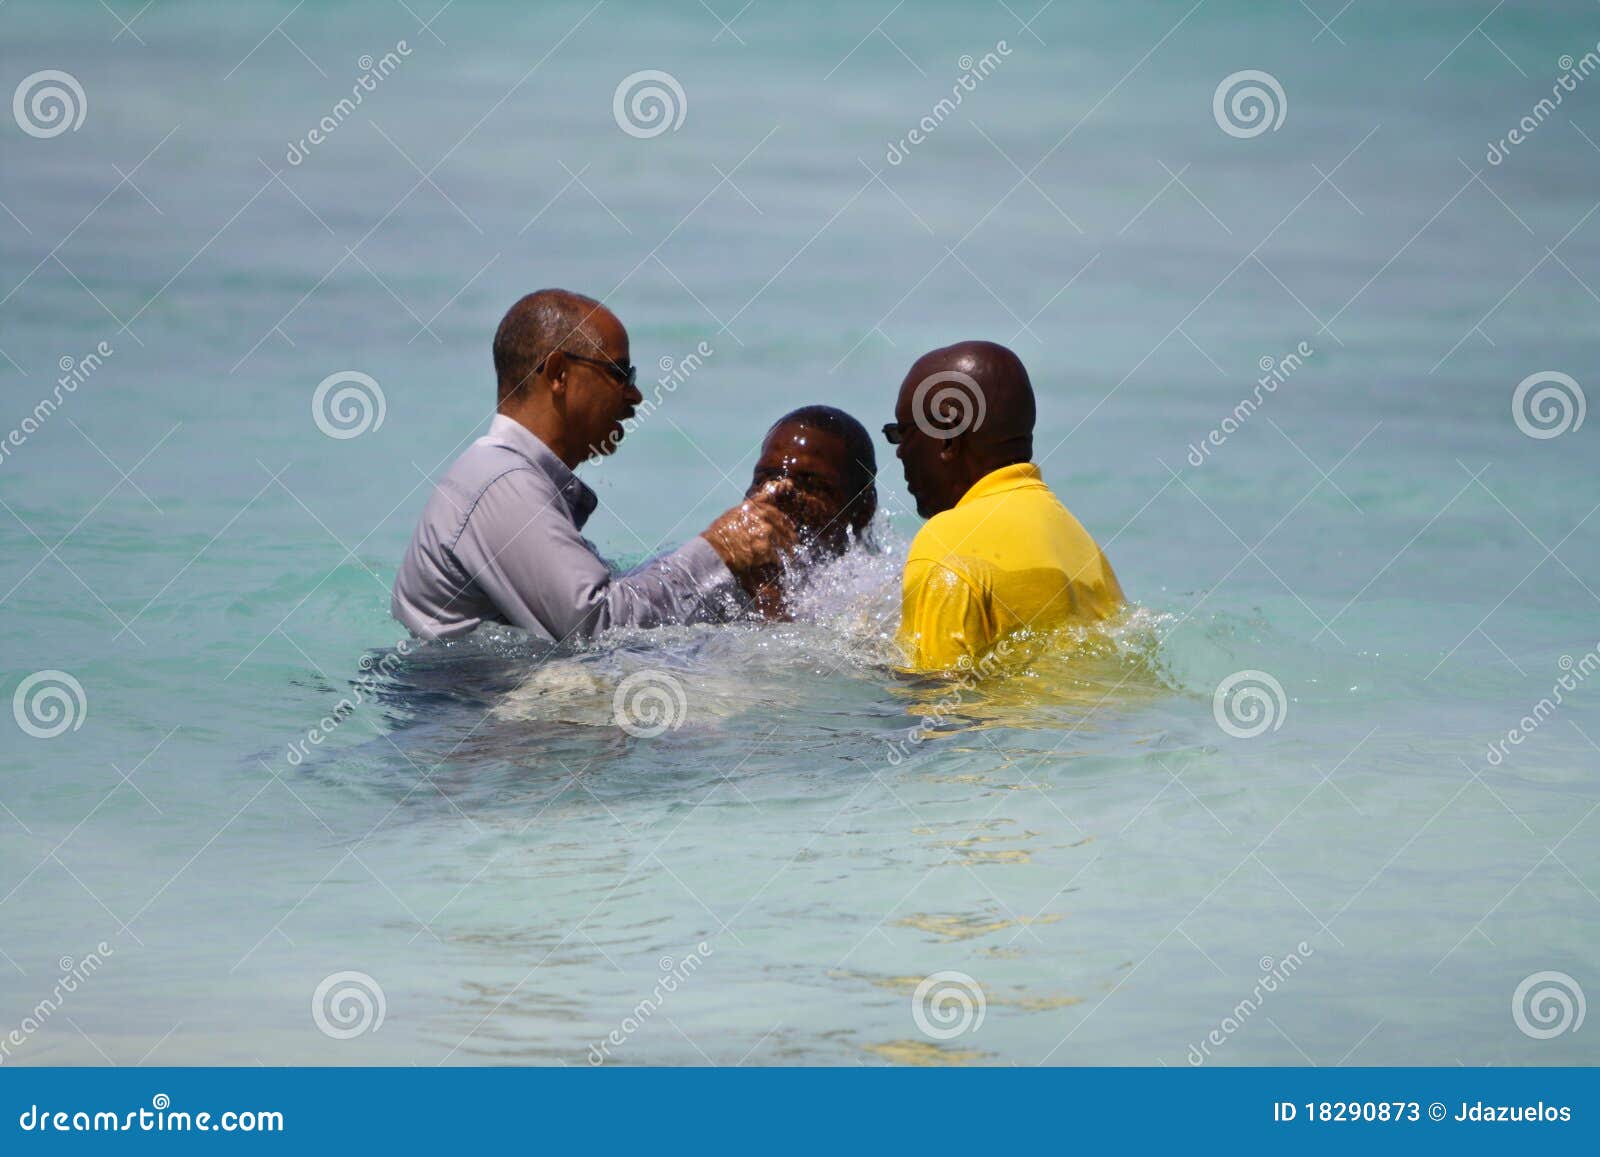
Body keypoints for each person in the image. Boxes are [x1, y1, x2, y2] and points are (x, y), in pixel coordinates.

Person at [392, 289, 795, 642]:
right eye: (619, 373)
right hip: (465, 723)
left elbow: (605, 605)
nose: (635, 396)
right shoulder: (500, 483)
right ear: (558, 373)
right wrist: (719, 551)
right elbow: (597, 626)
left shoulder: (508, 478)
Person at [885, 340, 1124, 671]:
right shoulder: (1083, 546)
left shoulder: (946, 546)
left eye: (902, 433)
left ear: (947, 439)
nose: (899, 452)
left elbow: (936, 707)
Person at [741, 405, 878, 618]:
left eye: (809, 485)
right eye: (764, 479)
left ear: (863, 510)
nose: (775, 493)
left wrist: (768, 600)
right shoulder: (703, 579)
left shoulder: (877, 602)